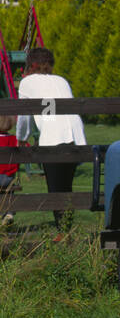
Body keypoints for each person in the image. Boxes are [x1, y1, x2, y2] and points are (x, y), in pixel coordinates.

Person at [16, 46, 87, 230]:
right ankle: (65, 229)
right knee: (66, 187)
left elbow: (24, 115)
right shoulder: (61, 80)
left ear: (31, 65)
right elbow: (53, 107)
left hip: (53, 137)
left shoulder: (27, 83)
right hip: (75, 135)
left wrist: (21, 137)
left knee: (55, 190)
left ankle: (62, 232)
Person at [0, 115, 19, 228]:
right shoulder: (14, 139)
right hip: (9, 177)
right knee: (9, 193)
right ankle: (9, 213)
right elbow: (27, 147)